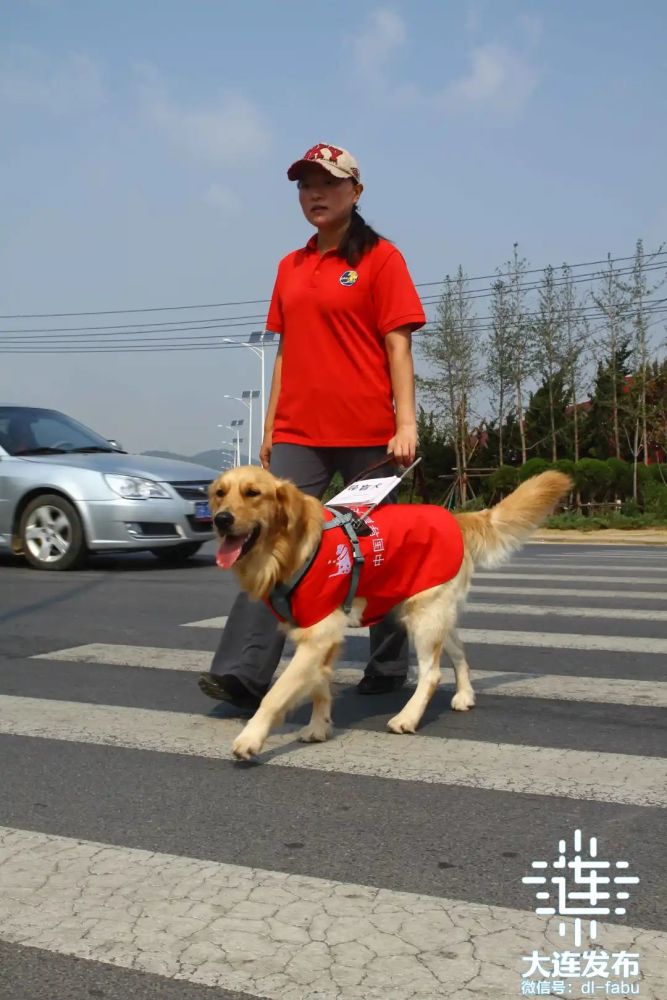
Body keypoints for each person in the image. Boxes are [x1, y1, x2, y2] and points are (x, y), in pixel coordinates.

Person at [199, 141, 426, 714]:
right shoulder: (290, 267)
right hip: (300, 431)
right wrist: (273, 425)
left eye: (326, 183)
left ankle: (389, 664)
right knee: (264, 538)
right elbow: (285, 354)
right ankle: (242, 672)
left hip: (370, 432)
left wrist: (406, 422)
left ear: (355, 190)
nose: (315, 194)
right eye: (305, 185)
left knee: (379, 549)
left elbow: (397, 346)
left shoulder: (381, 259)